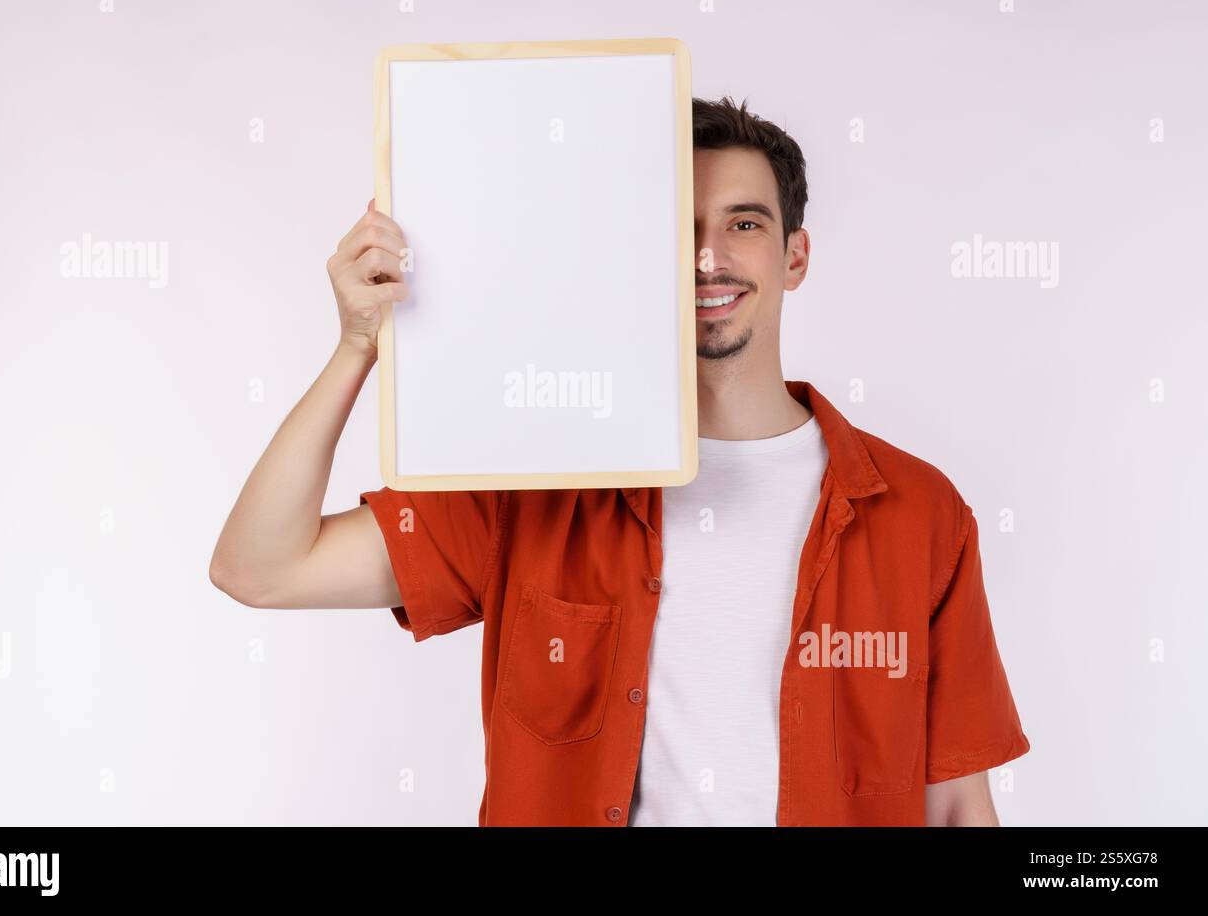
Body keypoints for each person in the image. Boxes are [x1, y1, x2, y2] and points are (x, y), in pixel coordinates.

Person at [210, 95, 1030, 826]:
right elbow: (261, 568)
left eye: (744, 224)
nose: (709, 257)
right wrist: (358, 345)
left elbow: (960, 807)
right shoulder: (537, 489)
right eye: (680, 229)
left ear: (795, 256)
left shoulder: (918, 512)